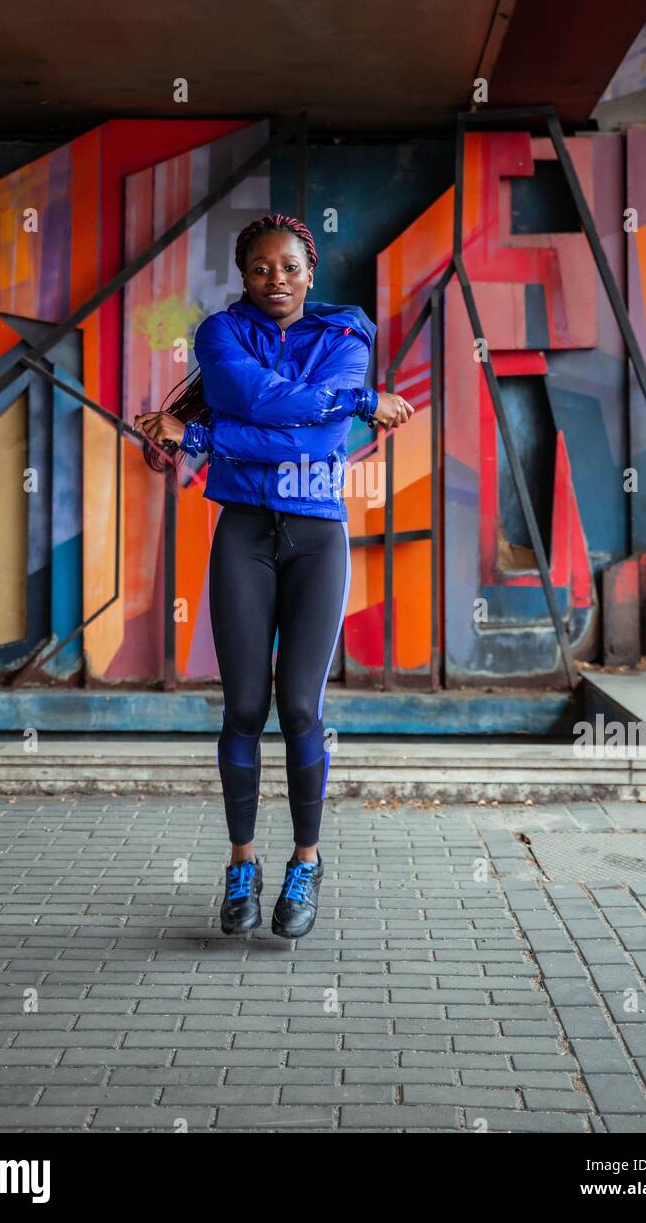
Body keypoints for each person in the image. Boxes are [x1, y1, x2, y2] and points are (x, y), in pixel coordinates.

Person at [135, 213, 413, 939]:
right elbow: (255, 402)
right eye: (260, 269)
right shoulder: (220, 335)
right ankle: (241, 865)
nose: (276, 281)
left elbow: (315, 434)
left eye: (289, 267)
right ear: (244, 275)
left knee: (299, 711)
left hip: (317, 537)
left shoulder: (347, 334)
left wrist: (199, 435)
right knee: (242, 709)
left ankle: (306, 863)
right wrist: (350, 401)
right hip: (244, 537)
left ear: (310, 272)